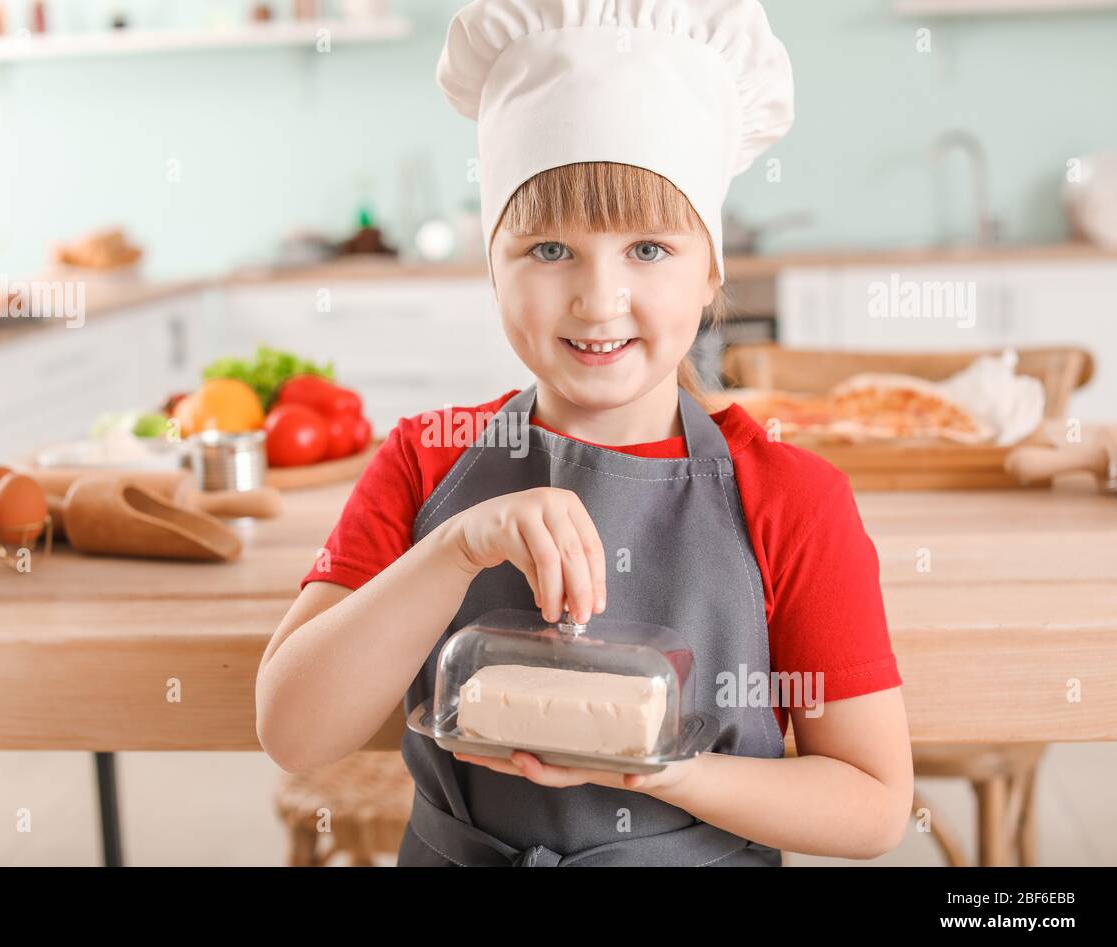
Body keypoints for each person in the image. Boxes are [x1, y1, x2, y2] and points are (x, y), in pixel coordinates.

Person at [256, 0, 914, 866]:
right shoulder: (430, 459)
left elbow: (870, 806)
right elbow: (294, 732)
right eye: (548, 250)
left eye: (648, 249)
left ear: (711, 269)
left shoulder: (791, 497)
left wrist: (662, 768)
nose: (598, 299)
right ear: (491, 265)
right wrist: (454, 549)